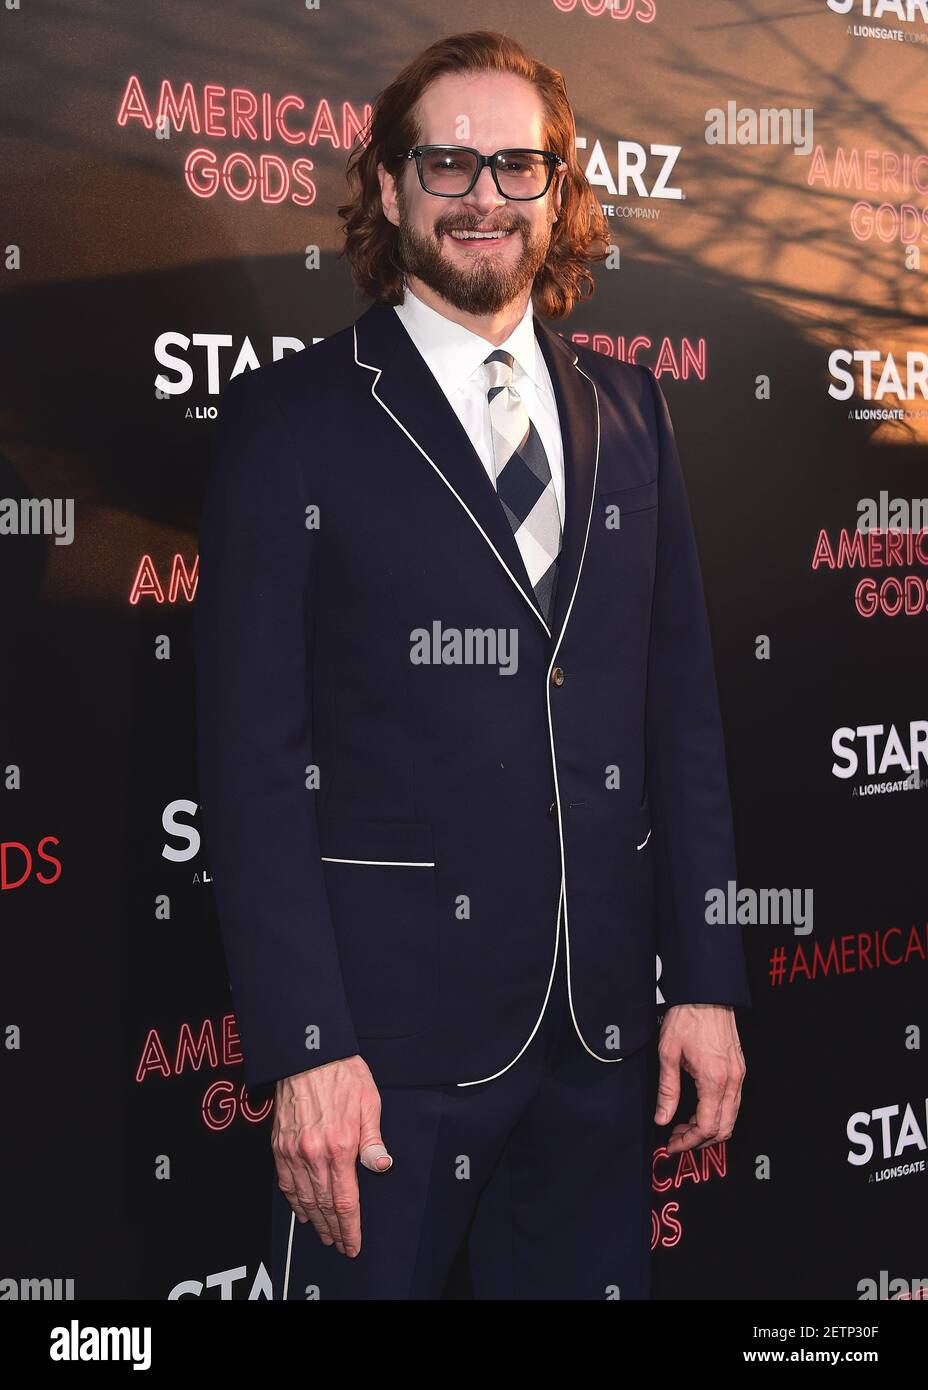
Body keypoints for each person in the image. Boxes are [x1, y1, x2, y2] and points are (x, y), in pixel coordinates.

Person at [193, 29, 751, 1301]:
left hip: (599, 1041)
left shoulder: (633, 410)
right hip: (381, 1065)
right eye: (447, 163)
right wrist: (306, 1047)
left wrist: (707, 978)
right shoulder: (293, 420)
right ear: (389, 189)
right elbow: (249, 763)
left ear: (561, 192)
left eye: (518, 164)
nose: (485, 194)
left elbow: (684, 726)